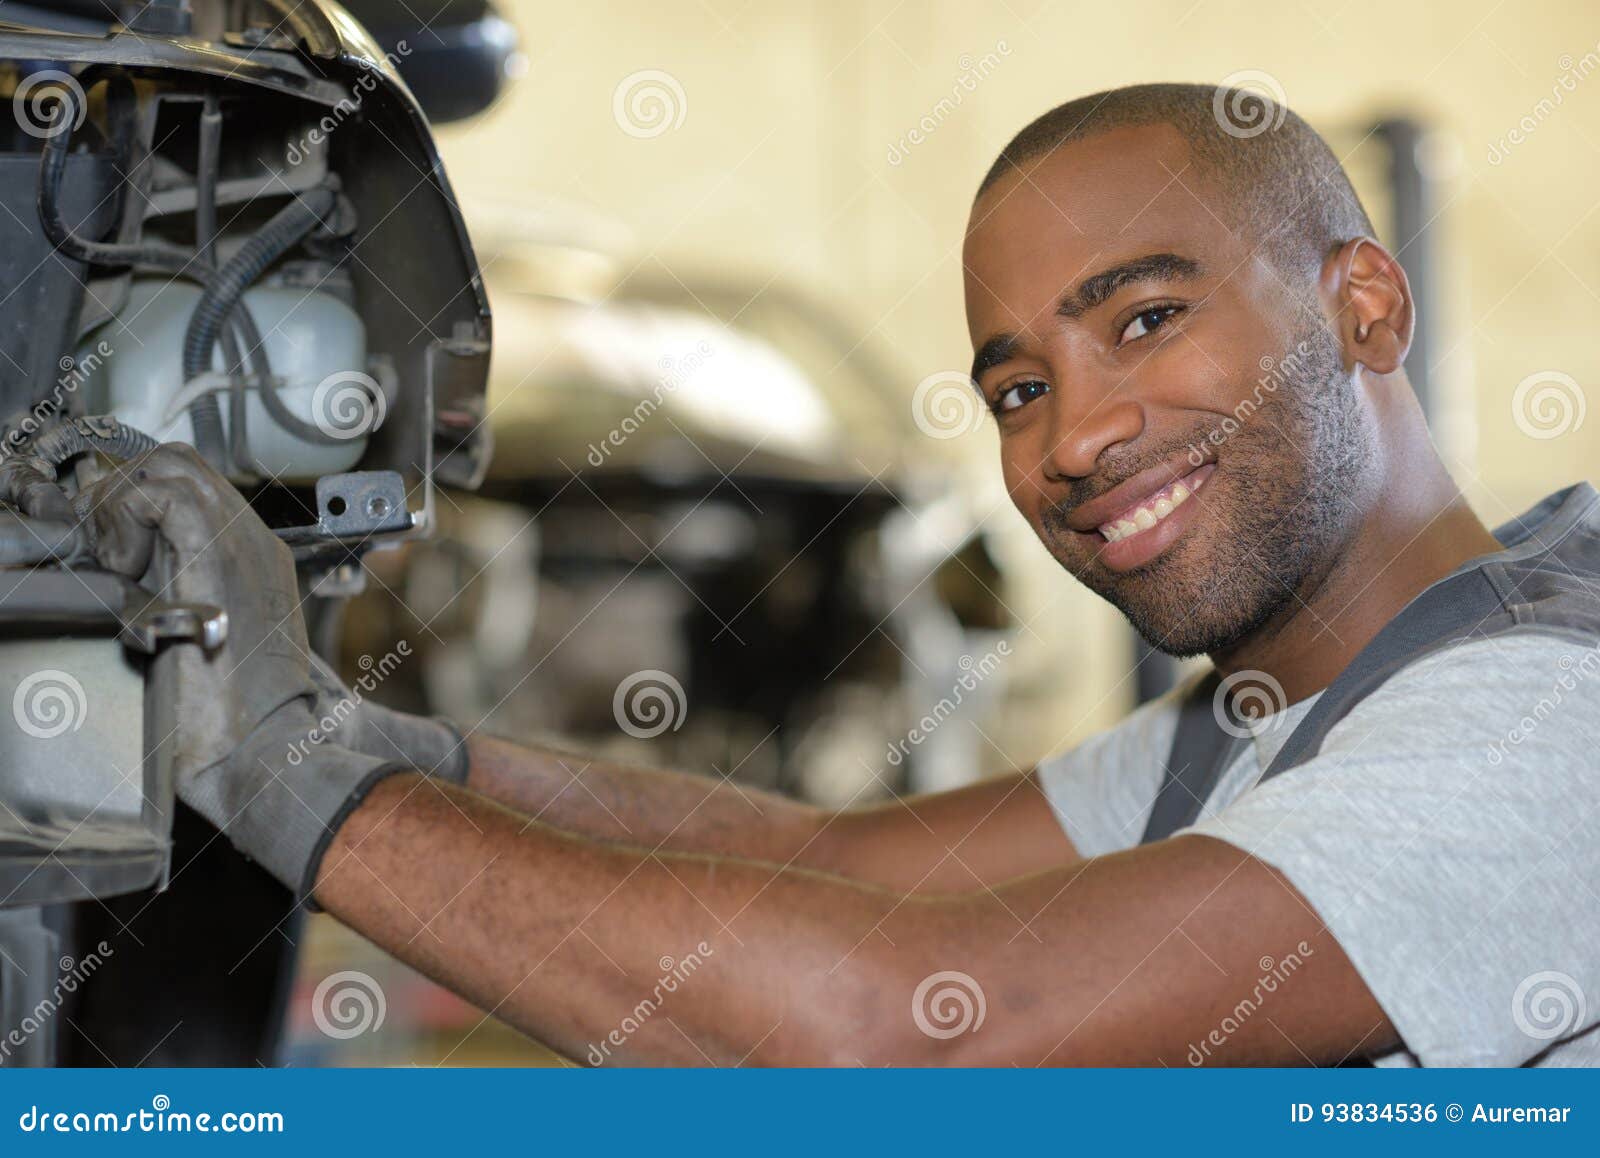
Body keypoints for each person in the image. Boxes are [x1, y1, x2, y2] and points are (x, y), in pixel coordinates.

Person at [78, 82, 1599, 1067]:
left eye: (1142, 319)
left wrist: (287, 776)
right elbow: (855, 870)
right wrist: (389, 753)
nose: (1080, 436)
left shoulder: (1537, 723)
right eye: (1018, 390)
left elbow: (910, 1024)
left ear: (1368, 306)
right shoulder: (1290, 701)